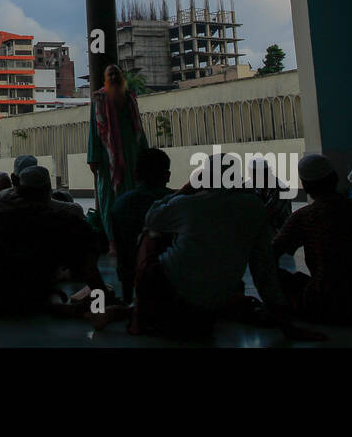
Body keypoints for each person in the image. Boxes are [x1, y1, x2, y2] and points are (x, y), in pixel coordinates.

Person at [132, 153, 320, 342]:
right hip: (208, 309)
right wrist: (287, 328)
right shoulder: (254, 208)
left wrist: (185, 189)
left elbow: (151, 218)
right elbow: (264, 271)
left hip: (169, 294)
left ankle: (137, 317)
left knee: (149, 236)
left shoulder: (189, 204)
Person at [273, 154, 352, 326]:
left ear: (305, 186)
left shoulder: (304, 217)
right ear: (334, 179)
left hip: (326, 306)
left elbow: (270, 254)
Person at [0, 165, 108, 315]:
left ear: (18, 189)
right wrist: (101, 307)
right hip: (27, 304)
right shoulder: (63, 223)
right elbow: (90, 271)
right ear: (48, 191)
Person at [88, 64, 149, 249]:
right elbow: (94, 130)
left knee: (132, 195)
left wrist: (145, 153)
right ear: (106, 79)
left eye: (116, 74)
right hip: (108, 160)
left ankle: (132, 236)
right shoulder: (99, 99)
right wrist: (93, 157)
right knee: (108, 198)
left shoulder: (130, 98)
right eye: (110, 74)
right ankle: (113, 241)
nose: (114, 77)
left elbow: (139, 129)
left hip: (132, 155)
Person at [110, 148, 174, 302]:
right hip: (174, 283)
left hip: (134, 279)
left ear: (135, 175)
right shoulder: (179, 203)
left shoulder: (120, 205)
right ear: (167, 176)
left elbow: (122, 256)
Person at [245, 156, 292, 233]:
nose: (252, 178)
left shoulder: (282, 190)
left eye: (256, 174)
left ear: (266, 173)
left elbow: (286, 220)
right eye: (251, 174)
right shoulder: (247, 188)